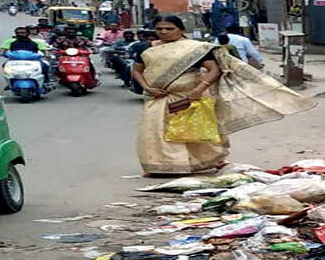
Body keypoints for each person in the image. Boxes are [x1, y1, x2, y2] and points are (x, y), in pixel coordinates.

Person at [131, 15, 312, 176]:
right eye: (160, 29)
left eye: (170, 29)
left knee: (192, 132)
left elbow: (214, 70)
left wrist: (199, 89)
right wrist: (147, 87)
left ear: (181, 30)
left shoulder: (196, 49)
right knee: (156, 132)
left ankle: (195, 163)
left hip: (188, 97)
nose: (164, 32)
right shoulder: (147, 49)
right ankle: (163, 166)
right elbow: (137, 70)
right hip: (158, 98)